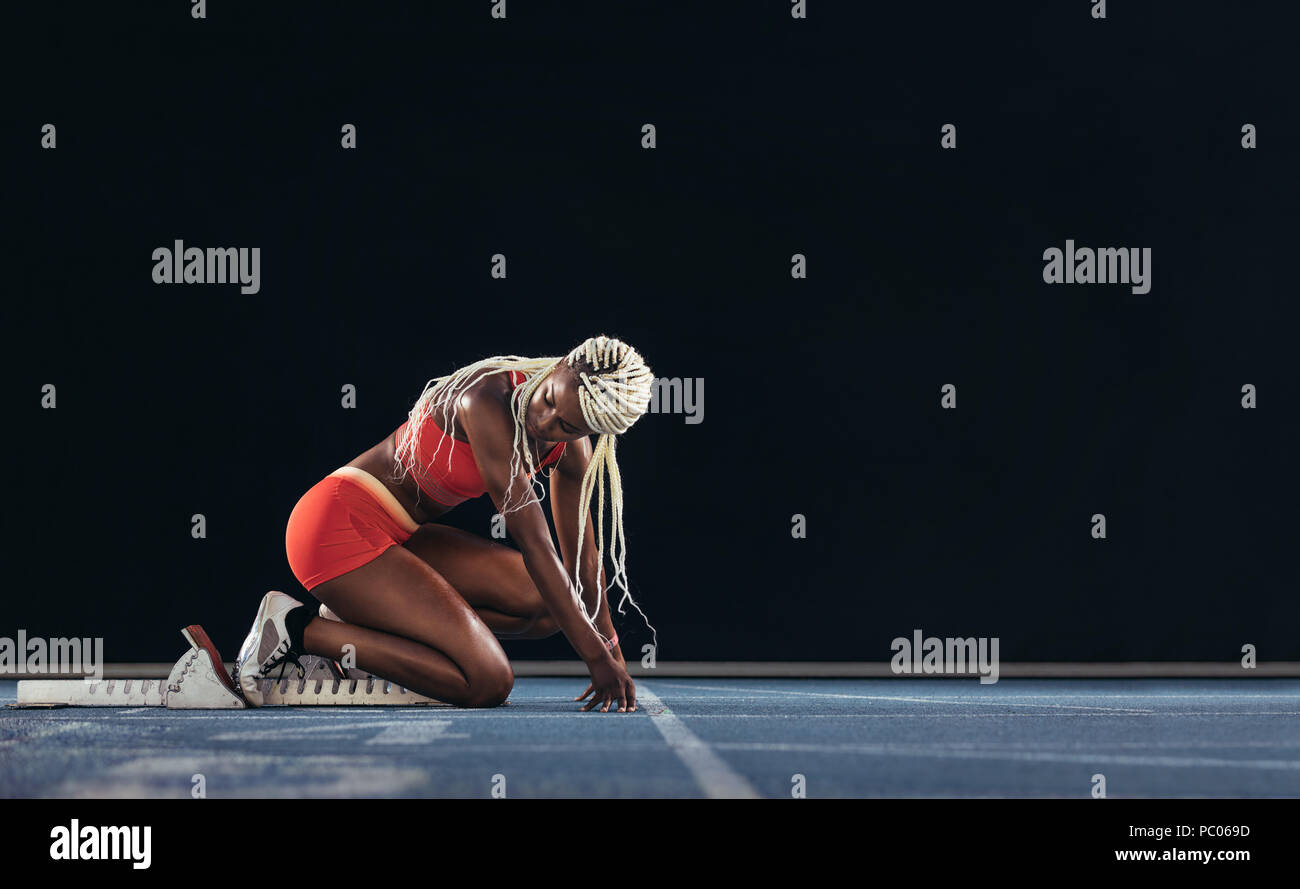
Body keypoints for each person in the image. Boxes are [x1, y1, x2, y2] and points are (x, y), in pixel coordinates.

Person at [234, 334, 655, 712]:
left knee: (549, 608)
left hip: (400, 538)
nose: (544, 422)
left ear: (592, 432)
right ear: (560, 365)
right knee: (488, 682)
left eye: (566, 426)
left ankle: (360, 625)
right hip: (336, 527)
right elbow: (537, 546)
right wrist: (595, 660)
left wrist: (611, 648)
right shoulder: (485, 400)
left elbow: (582, 554)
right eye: (548, 400)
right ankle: (296, 630)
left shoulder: (571, 451)